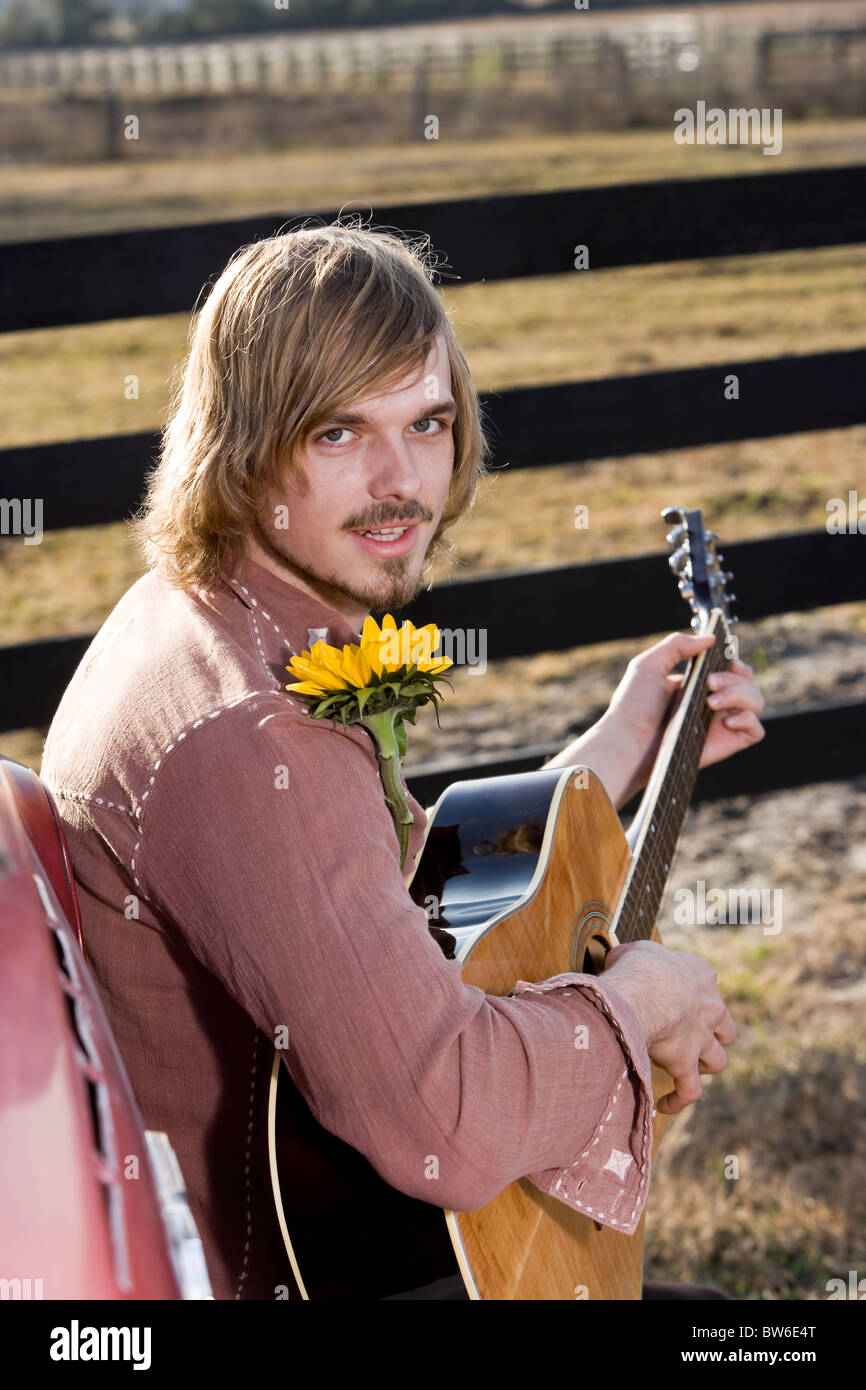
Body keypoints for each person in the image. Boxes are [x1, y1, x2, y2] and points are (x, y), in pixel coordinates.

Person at [40, 223, 765, 1301]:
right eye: (339, 431)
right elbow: (449, 1126)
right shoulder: (259, 731)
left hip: (345, 1237)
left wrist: (621, 749)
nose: (400, 481)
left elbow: (395, 898)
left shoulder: (204, 620)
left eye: (427, 422)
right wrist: (639, 1001)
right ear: (243, 446)